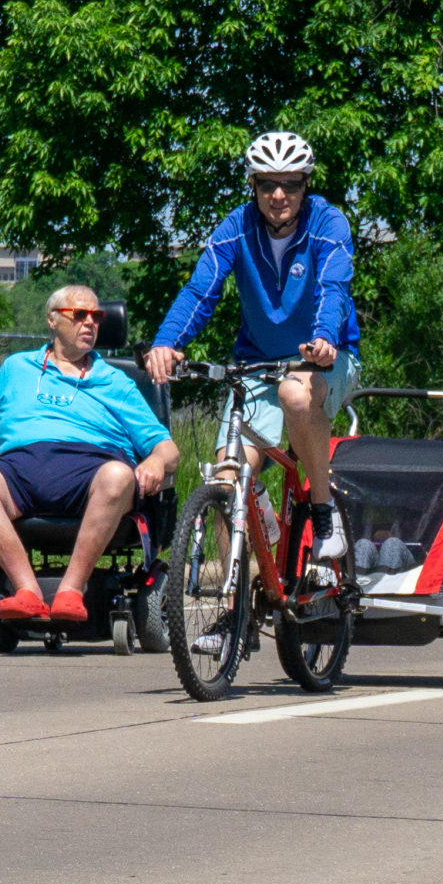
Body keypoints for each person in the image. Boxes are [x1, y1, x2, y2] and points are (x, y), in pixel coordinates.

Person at [145, 131, 362, 562]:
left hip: (324, 358)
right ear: (253, 186)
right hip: (258, 364)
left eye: (291, 184)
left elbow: (333, 287)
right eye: (267, 184)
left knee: (295, 395)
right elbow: (200, 291)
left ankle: (323, 512)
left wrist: (323, 338)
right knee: (228, 480)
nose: (279, 195)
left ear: (306, 185)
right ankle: (237, 598)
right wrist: (167, 342)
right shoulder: (237, 226)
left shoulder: (328, 223)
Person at [0, 284, 179, 624]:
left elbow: (168, 450)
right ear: (52, 319)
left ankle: (71, 591)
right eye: (79, 315)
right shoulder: (16, 368)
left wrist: (155, 461)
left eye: (96, 317)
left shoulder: (116, 382)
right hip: (19, 473)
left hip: (90, 476)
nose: (90, 322)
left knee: (118, 475)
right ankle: (27, 590)